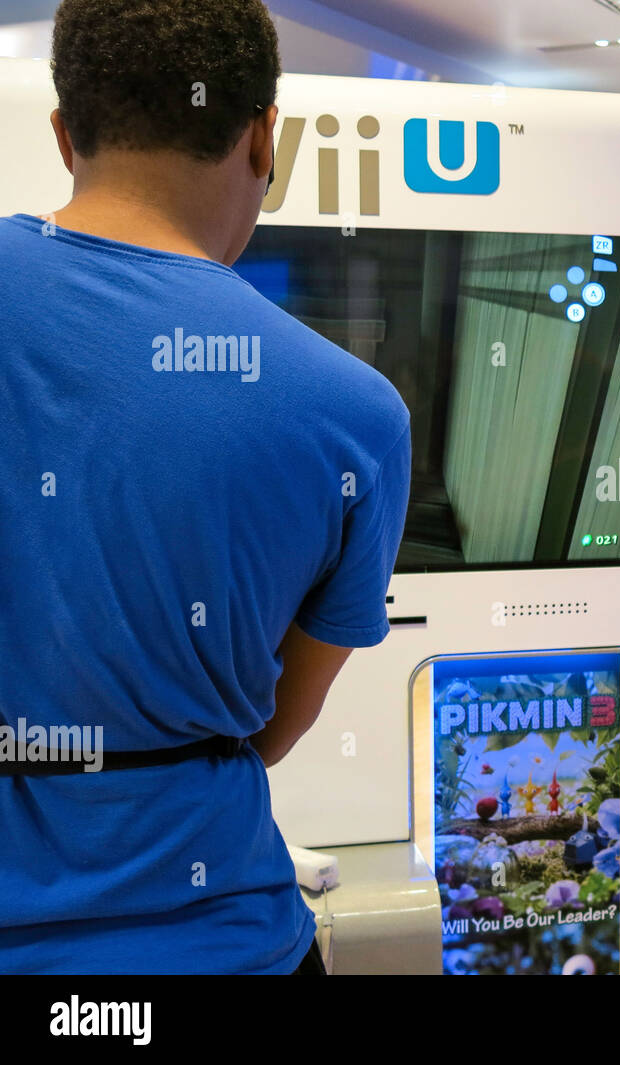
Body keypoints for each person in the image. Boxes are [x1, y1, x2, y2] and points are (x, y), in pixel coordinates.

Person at [0, 0, 410, 974]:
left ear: (63, 134)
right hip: (220, 943)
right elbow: (269, 732)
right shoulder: (356, 414)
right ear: (265, 135)